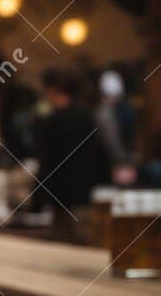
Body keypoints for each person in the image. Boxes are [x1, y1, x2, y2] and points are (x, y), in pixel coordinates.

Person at [34, 68, 110, 228]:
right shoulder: (88, 119)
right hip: (86, 196)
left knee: (65, 247)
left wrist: (37, 202)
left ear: (54, 91)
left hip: (61, 200)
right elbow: (101, 157)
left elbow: (47, 163)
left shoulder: (51, 123)